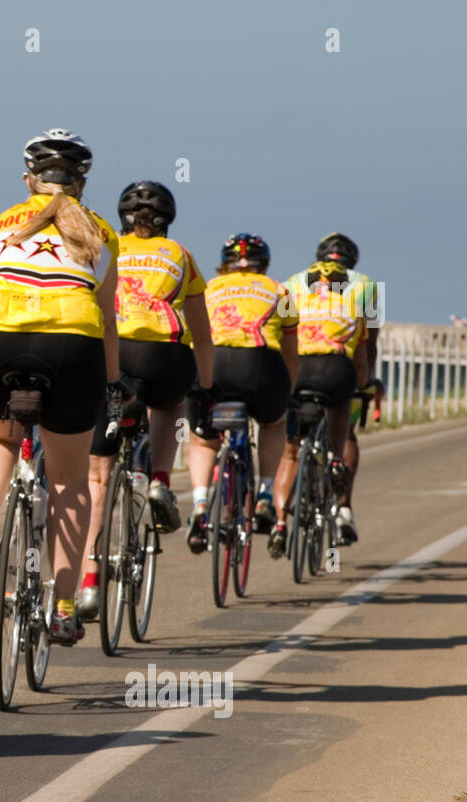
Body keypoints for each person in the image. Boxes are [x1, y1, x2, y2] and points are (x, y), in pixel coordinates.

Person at [0, 129, 120, 645]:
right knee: (69, 480)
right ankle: (65, 607)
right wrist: (113, 385)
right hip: (69, 342)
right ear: (82, 183)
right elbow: (107, 321)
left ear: (28, 179)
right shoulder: (102, 232)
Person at [78, 182, 215, 619]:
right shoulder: (180, 255)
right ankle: (158, 479)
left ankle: (88, 582)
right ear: (166, 220)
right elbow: (203, 334)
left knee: (97, 477)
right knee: (171, 404)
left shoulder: (104, 247)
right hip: (165, 354)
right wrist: (206, 388)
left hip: (112, 351)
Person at [183, 234, 297, 552]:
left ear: (225, 264)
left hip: (213, 363)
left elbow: (192, 335)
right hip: (261, 365)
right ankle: (265, 494)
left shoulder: (208, 289)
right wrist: (287, 394)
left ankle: (200, 504)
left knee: (203, 439)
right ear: (264, 264)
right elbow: (291, 354)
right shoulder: (282, 290)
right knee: (274, 423)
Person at [270, 258, 370, 557]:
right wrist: (362, 385)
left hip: (300, 370)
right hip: (335, 369)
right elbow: (361, 361)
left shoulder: (291, 302)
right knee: (340, 405)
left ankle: (279, 524)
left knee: (289, 452)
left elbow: (278, 342)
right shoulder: (353, 307)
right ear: (342, 286)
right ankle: (336, 460)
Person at [305, 232, 379, 544]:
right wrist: (367, 382)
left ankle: (284, 501)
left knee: (293, 438)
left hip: (300, 366)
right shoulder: (367, 286)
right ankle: (344, 507)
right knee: (346, 433)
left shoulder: (298, 280)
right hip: (343, 368)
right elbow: (370, 341)